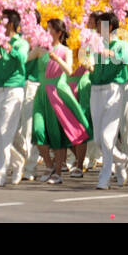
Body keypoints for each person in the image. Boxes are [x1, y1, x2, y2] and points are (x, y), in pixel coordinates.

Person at [30, 18, 89, 184]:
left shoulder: (65, 51)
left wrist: (57, 59)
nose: (47, 32)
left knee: (57, 133)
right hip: (42, 92)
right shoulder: (40, 50)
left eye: (50, 30)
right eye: (46, 29)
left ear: (59, 33)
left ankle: (57, 172)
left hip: (58, 92)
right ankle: (49, 165)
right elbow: (24, 59)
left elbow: (69, 70)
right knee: (38, 130)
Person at [88, 11, 128, 190]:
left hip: (113, 90)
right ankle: (121, 160)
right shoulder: (95, 44)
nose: (98, 28)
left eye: (101, 24)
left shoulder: (121, 44)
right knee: (99, 140)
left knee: (108, 138)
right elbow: (88, 61)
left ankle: (104, 178)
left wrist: (110, 53)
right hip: (96, 90)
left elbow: (127, 59)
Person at [0, 9, 29, 188]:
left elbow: (23, 59)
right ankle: (17, 162)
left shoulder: (21, 43)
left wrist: (10, 48)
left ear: (10, 24)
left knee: (4, 131)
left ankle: (0, 173)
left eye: (2, 21)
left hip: (13, 89)